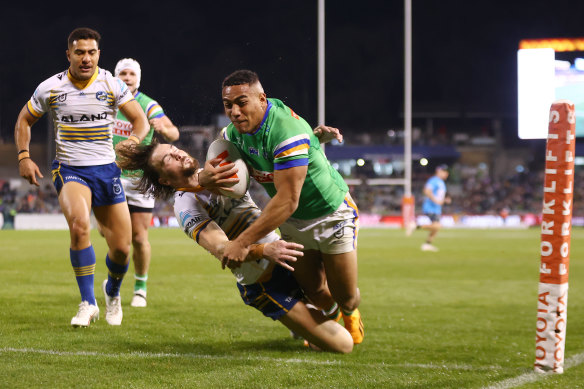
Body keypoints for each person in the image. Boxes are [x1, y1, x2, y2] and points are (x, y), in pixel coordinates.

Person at [115, 140, 354, 353]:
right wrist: (264, 250)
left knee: (336, 295)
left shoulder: (218, 163)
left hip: (284, 255)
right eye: (169, 158)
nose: (178, 154)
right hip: (264, 282)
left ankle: (320, 316)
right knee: (343, 344)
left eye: (175, 149)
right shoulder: (185, 206)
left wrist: (311, 138)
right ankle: (307, 324)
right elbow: (223, 251)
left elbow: (268, 156)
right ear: (165, 180)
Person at [199, 70, 364, 344]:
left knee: (344, 292)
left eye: (242, 102)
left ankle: (349, 313)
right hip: (292, 221)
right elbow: (217, 172)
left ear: (262, 99)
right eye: (228, 105)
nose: (235, 111)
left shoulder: (286, 131)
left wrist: (242, 242)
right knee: (312, 287)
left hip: (331, 215)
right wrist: (204, 177)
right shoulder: (230, 134)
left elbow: (288, 199)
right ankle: (334, 323)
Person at [14, 27, 150, 327]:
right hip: (70, 169)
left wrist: (133, 141)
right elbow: (24, 118)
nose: (85, 58)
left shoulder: (112, 84)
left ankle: (111, 293)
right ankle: (87, 303)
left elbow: (141, 121)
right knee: (78, 226)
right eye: (79, 52)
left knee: (122, 249)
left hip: (107, 169)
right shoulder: (51, 87)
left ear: (98, 54)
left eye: (91, 52)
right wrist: (24, 156)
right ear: (69, 55)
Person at [112, 58, 180, 308]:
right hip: (111, 176)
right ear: (116, 76)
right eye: (123, 73)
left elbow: (173, 133)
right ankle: (115, 278)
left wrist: (164, 128)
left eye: (131, 74)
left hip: (139, 180)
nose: (127, 77)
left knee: (139, 238)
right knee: (110, 235)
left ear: (137, 78)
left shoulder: (148, 104)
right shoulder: (107, 101)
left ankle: (140, 287)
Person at [419, 164, 450, 252]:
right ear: (438, 171)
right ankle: (416, 226)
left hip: (437, 208)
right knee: (437, 226)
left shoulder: (441, 182)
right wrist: (435, 200)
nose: (446, 174)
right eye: (444, 172)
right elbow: (427, 191)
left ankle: (427, 244)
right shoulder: (434, 180)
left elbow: (439, 196)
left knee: (435, 229)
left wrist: (445, 200)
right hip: (431, 207)